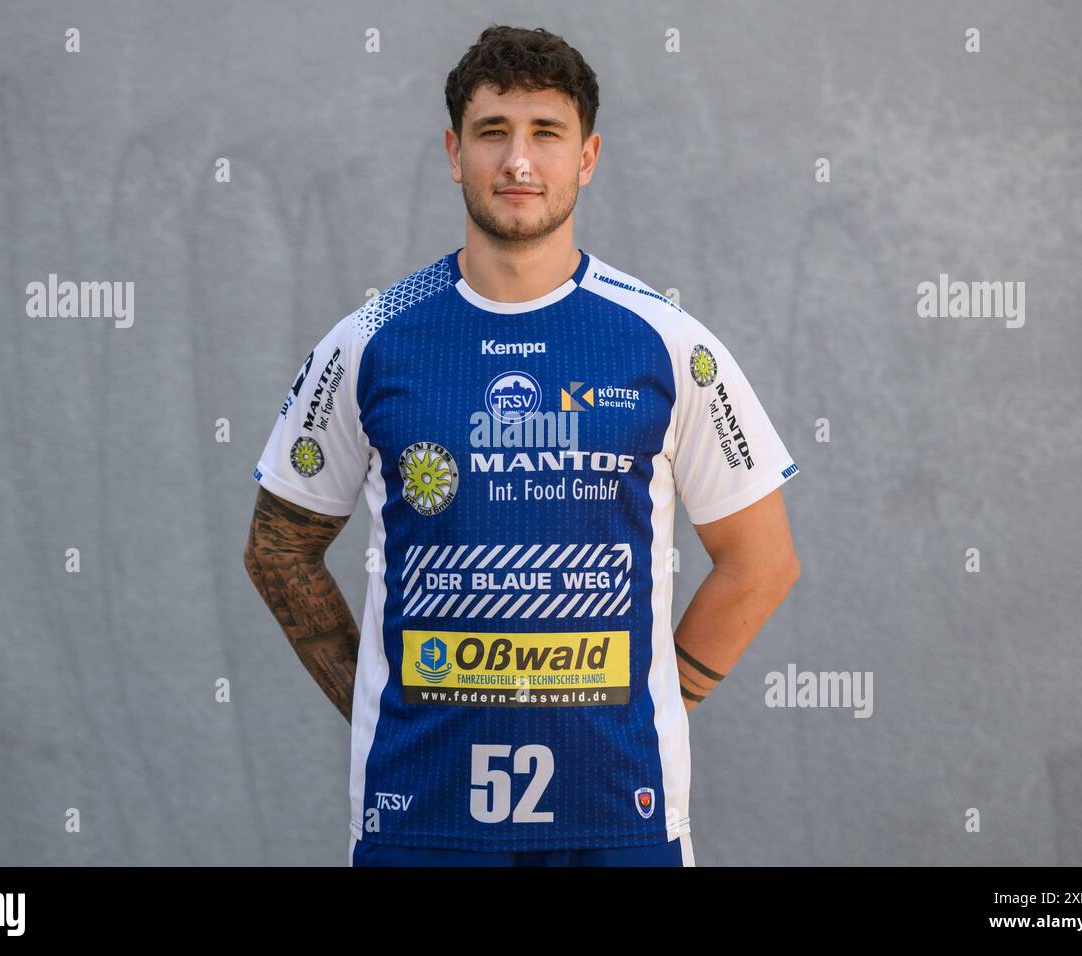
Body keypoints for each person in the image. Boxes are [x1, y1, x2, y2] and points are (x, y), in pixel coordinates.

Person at [243, 25, 802, 867]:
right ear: (453, 151)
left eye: (546, 133)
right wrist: (383, 707)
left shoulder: (666, 341)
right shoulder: (368, 343)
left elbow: (762, 562)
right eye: (492, 132)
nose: (518, 161)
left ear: (588, 155)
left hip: (620, 818)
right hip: (421, 819)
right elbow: (277, 551)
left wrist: (657, 702)